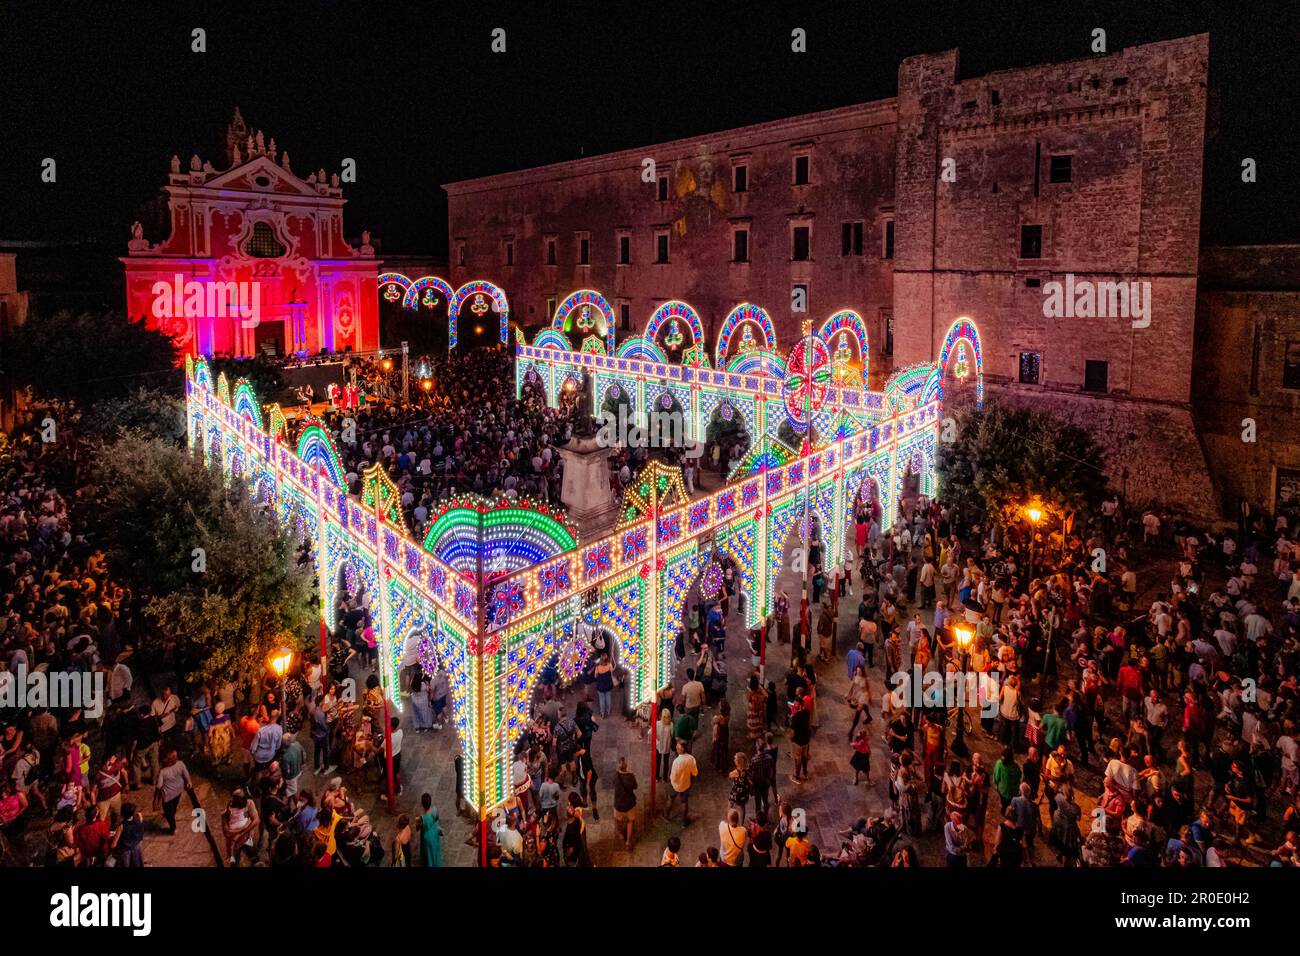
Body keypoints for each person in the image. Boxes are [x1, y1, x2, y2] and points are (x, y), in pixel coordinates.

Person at [152, 748, 191, 836]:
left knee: (168, 811)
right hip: (178, 791)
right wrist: (188, 781)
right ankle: (172, 813)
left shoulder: (163, 772)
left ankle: (173, 827)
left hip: (168, 796)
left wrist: (155, 800)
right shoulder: (180, 764)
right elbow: (186, 774)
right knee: (174, 805)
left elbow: (158, 787)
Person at [665, 740, 698, 826]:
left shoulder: (676, 762)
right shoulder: (691, 759)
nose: (676, 748)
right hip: (686, 784)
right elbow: (695, 773)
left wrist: (671, 780)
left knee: (670, 799)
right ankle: (684, 821)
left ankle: (666, 816)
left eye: (678, 747)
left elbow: (673, 777)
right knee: (684, 803)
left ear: (681, 749)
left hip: (675, 785)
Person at [612, 756, 638, 851]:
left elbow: (613, 784)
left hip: (618, 804)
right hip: (630, 804)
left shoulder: (615, 776)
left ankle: (620, 834)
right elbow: (635, 786)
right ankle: (628, 841)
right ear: (626, 766)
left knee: (617, 820)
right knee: (630, 821)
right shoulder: (631, 776)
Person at [417, 792, 443, 867]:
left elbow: (417, 828)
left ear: (422, 804)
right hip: (434, 833)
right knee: (435, 850)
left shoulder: (422, 818)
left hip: (427, 837)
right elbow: (437, 818)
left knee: (428, 854)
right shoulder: (435, 810)